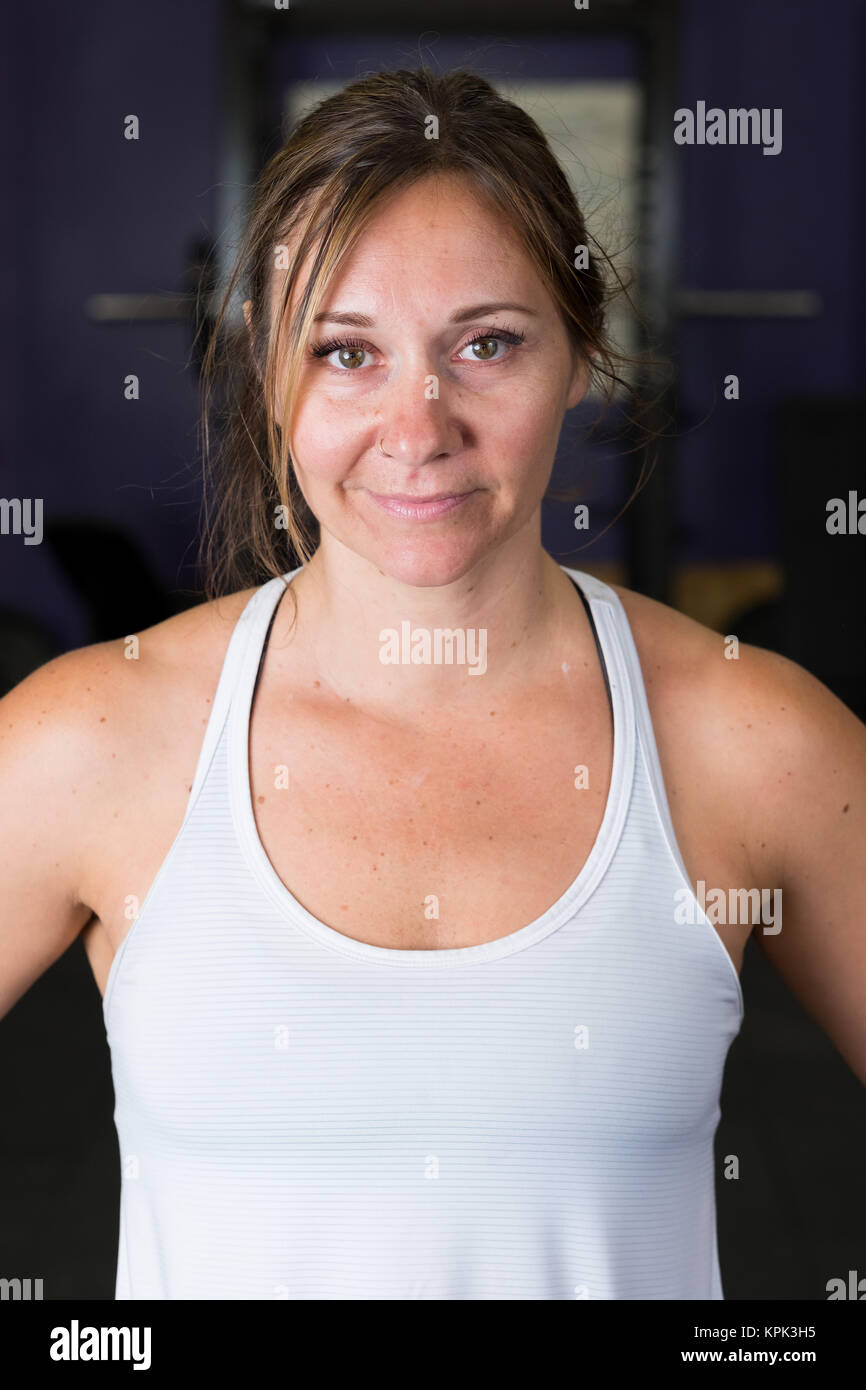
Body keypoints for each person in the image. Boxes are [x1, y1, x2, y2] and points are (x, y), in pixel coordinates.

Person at [2, 67, 864, 1301]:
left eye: (486, 343)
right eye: (345, 352)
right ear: (264, 376)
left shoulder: (748, 737)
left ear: (580, 355)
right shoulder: (90, 739)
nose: (417, 427)